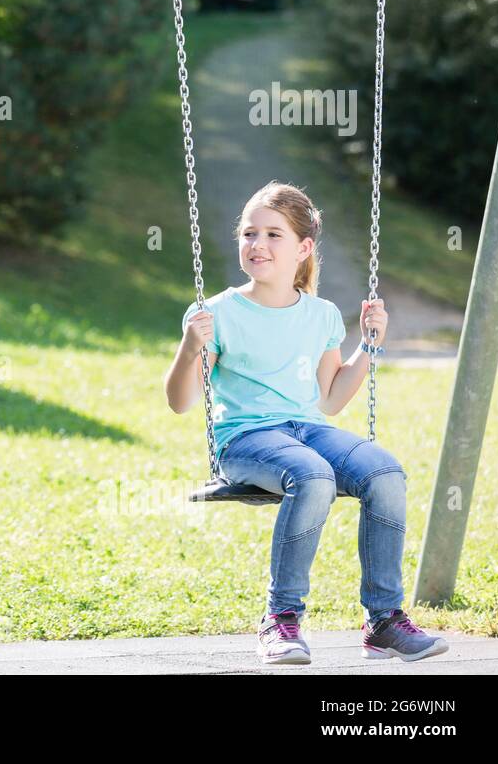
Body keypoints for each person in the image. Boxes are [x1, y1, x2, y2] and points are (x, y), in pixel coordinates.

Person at [164, 181, 448, 665]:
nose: (258, 244)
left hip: (307, 430)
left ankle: (383, 621)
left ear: (303, 248)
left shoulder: (321, 315)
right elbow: (180, 400)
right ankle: (281, 619)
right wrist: (191, 346)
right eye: (249, 233)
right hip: (246, 439)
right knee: (313, 476)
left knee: (385, 472)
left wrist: (370, 345)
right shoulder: (216, 313)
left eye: (274, 235)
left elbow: (331, 398)